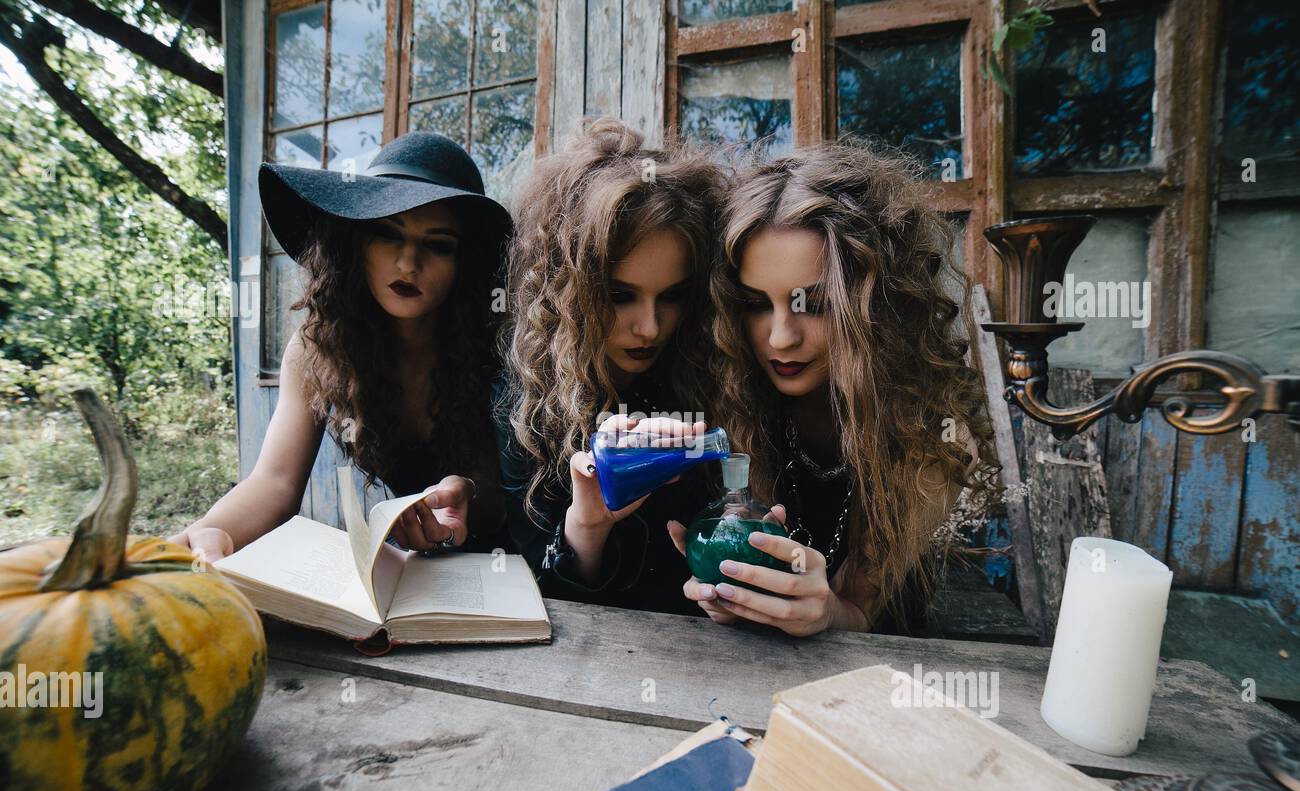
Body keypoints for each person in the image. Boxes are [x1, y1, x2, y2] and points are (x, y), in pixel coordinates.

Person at [670, 141, 999, 637]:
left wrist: (824, 612)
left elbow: (862, 614)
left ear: (877, 308)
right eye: (757, 304)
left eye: (815, 304)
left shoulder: (932, 435)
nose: (781, 338)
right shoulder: (731, 395)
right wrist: (731, 591)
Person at [172, 132, 512, 562]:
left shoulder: (502, 346)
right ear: (355, 243)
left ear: (466, 263)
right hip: (414, 571)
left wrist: (469, 493)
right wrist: (206, 535)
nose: (409, 263)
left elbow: (515, 491)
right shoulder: (318, 349)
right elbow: (274, 482)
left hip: (525, 571)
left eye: (438, 245)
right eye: (388, 234)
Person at [494, 118, 725, 615]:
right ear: (566, 290)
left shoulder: (714, 375)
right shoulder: (525, 403)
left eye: (673, 296)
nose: (649, 327)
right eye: (620, 296)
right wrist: (589, 525)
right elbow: (543, 593)